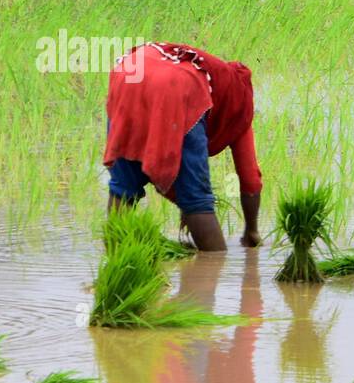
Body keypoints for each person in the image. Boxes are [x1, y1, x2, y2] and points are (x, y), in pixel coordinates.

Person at [104, 41, 262, 251]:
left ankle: (115, 260)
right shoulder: (239, 103)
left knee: (123, 188)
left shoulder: (206, 70)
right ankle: (212, 267)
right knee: (197, 201)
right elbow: (250, 178)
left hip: (129, 72)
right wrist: (251, 231)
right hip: (175, 87)